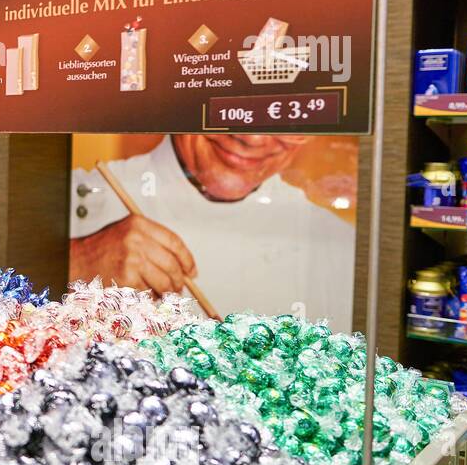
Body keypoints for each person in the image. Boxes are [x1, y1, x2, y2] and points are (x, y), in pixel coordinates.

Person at [69, 133, 355, 330]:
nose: (252, 139)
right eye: (227, 109)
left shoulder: (340, 245)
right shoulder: (71, 197)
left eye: (281, 115)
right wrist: (75, 264)